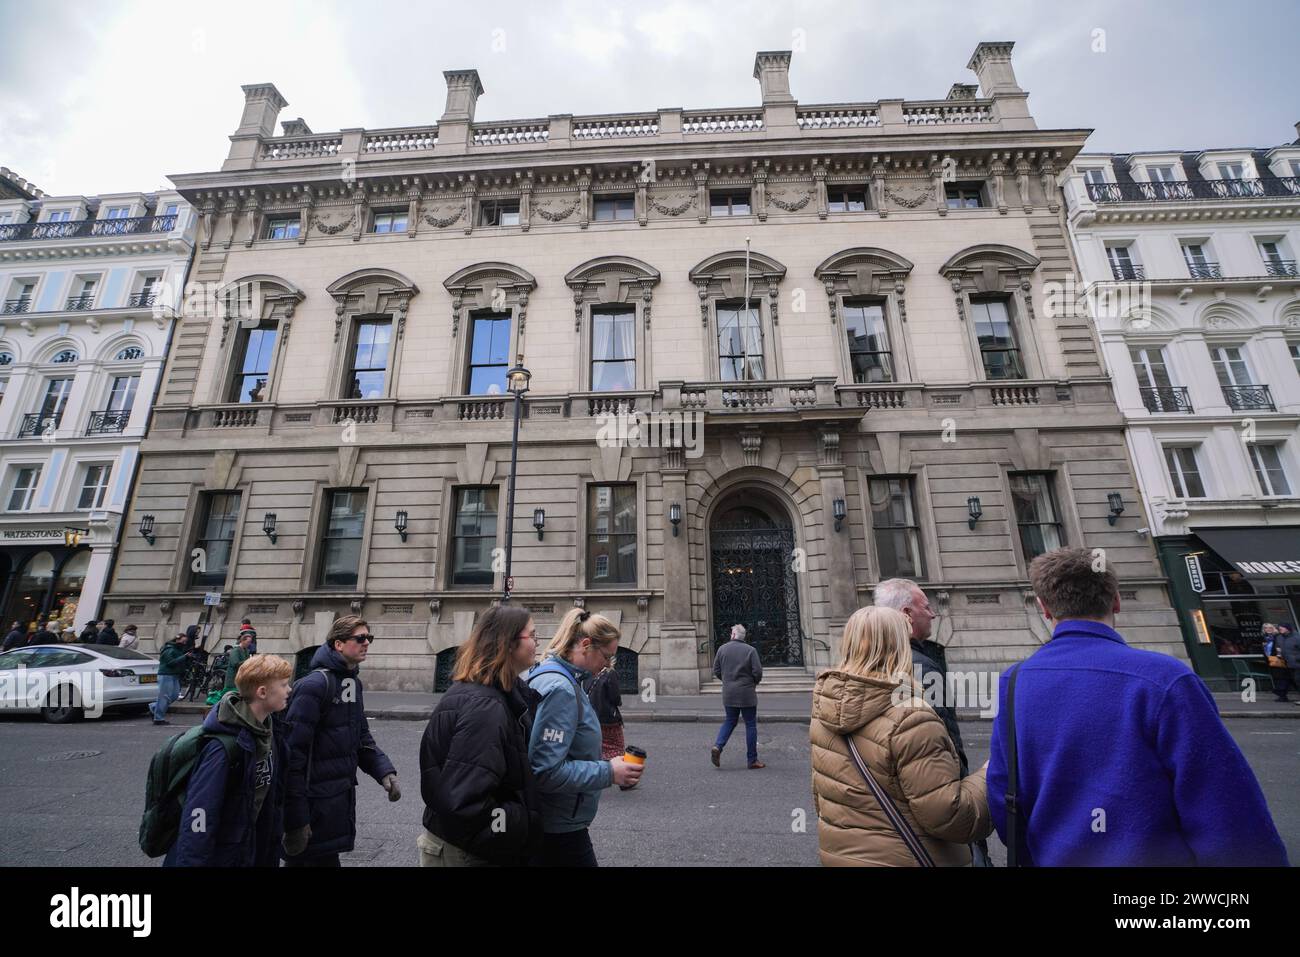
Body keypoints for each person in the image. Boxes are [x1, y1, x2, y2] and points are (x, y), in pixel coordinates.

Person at [988, 547, 1289, 866]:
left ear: (1044, 607)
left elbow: (1004, 796)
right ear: (1116, 600)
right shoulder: (1166, 679)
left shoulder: (1015, 681)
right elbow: (1229, 814)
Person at [810, 605, 991, 866]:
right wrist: (988, 775)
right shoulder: (912, 718)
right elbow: (950, 818)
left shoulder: (822, 711)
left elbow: (824, 798)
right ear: (900, 646)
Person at [417, 605, 542, 866]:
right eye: (532, 635)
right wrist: (520, 818)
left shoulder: (497, 695)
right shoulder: (485, 707)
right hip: (464, 851)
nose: (538, 642)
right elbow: (464, 802)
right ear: (507, 643)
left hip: (463, 843)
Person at [526, 608, 642, 866]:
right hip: (559, 826)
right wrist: (608, 772)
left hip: (554, 819)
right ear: (586, 645)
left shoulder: (562, 677)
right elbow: (545, 770)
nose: (608, 665)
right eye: (606, 656)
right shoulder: (561, 690)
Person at [282, 615, 399, 867]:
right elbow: (292, 756)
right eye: (360, 638)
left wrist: (384, 771)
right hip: (312, 806)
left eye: (369, 638)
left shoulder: (351, 683)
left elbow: (361, 737)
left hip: (335, 802)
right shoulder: (314, 686)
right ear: (338, 644)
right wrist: (296, 820)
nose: (366, 643)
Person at [164, 654, 293, 867]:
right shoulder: (224, 747)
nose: (289, 690)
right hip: (224, 856)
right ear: (262, 692)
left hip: (254, 849)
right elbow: (200, 811)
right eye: (283, 685)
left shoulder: (270, 732)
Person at [710, 623, 765, 769]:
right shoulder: (751, 650)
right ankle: (752, 760)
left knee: (730, 721)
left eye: (731, 633)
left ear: (734, 635)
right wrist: (753, 682)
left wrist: (727, 680)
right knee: (750, 725)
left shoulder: (722, 649)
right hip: (747, 693)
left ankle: (718, 746)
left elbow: (716, 670)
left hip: (729, 693)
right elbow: (758, 672)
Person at [586, 662, 625, 760]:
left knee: (599, 748)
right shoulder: (610, 673)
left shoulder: (588, 673)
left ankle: (602, 769)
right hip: (609, 719)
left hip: (593, 717)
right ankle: (615, 770)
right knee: (617, 748)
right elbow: (615, 698)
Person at [150, 633, 190, 725]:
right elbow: (170, 663)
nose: (184, 643)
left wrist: (186, 658)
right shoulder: (169, 649)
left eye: (185, 642)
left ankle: (153, 707)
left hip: (175, 675)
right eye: (183, 641)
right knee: (164, 696)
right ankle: (158, 718)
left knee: (174, 696)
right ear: (177, 640)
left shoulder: (178, 649)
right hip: (166, 675)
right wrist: (184, 657)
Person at [1262, 624, 1290, 702]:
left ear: (1274, 628)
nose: (1268, 629)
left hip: (1278, 660)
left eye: (1270, 628)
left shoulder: (1278, 637)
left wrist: (1279, 654)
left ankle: (1282, 695)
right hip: (1271, 660)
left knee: (1282, 677)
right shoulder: (1265, 638)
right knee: (1278, 678)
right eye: (1266, 628)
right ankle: (1281, 694)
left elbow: (1280, 647)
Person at [1278, 623, 1300, 708]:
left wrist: (1296, 658)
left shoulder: (1296, 637)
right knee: (1297, 681)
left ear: (1288, 629)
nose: (1280, 629)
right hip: (1289, 664)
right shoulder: (1282, 637)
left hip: (1297, 663)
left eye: (1282, 627)